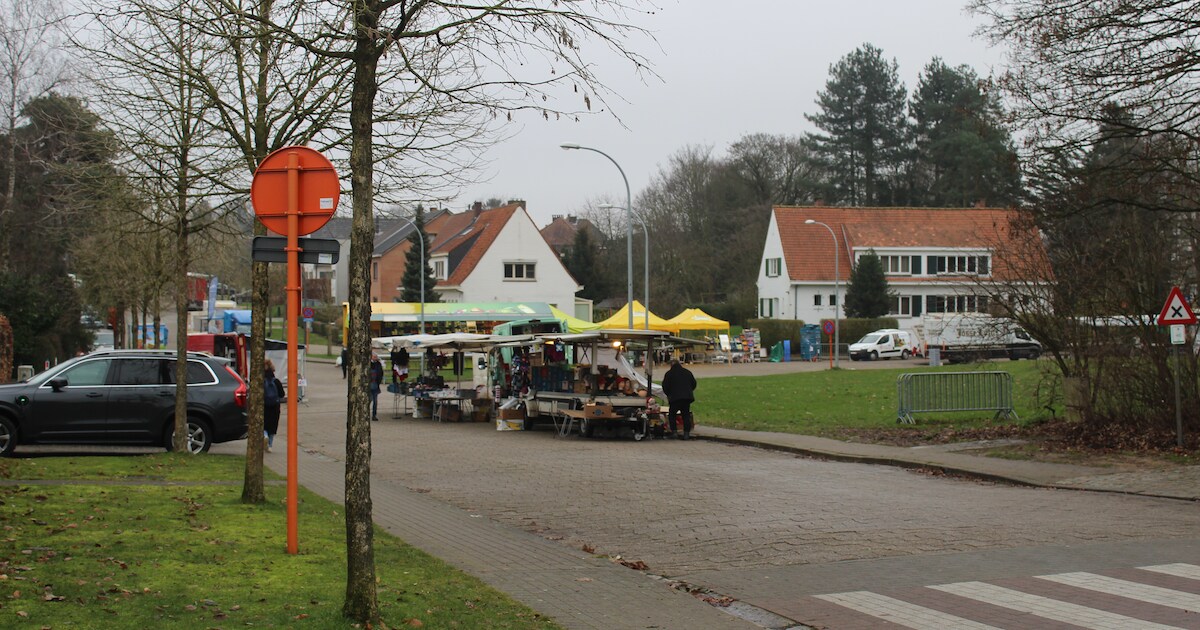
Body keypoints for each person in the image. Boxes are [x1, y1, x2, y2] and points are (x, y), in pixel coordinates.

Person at [661, 359, 697, 440]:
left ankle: (674, 432)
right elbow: (694, 384)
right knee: (686, 415)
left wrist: (669, 394)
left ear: (671, 365)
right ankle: (686, 433)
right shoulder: (687, 372)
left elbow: (665, 386)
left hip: (675, 398)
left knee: (672, 415)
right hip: (686, 398)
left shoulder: (669, 374)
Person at [263, 358, 284, 452]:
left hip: (263, 406)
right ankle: (270, 445)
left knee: (263, 425)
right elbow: (282, 394)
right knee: (272, 426)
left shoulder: (260, 381)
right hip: (275, 407)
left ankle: (264, 435)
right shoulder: (276, 381)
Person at [368, 352, 384, 421]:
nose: (376, 358)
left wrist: (379, 382)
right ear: (371, 357)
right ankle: (366, 413)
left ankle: (374, 415)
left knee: (375, 401)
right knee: (369, 400)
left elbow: (381, 373)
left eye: (376, 357)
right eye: (374, 357)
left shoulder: (378, 364)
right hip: (369, 385)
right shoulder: (368, 364)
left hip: (376, 385)